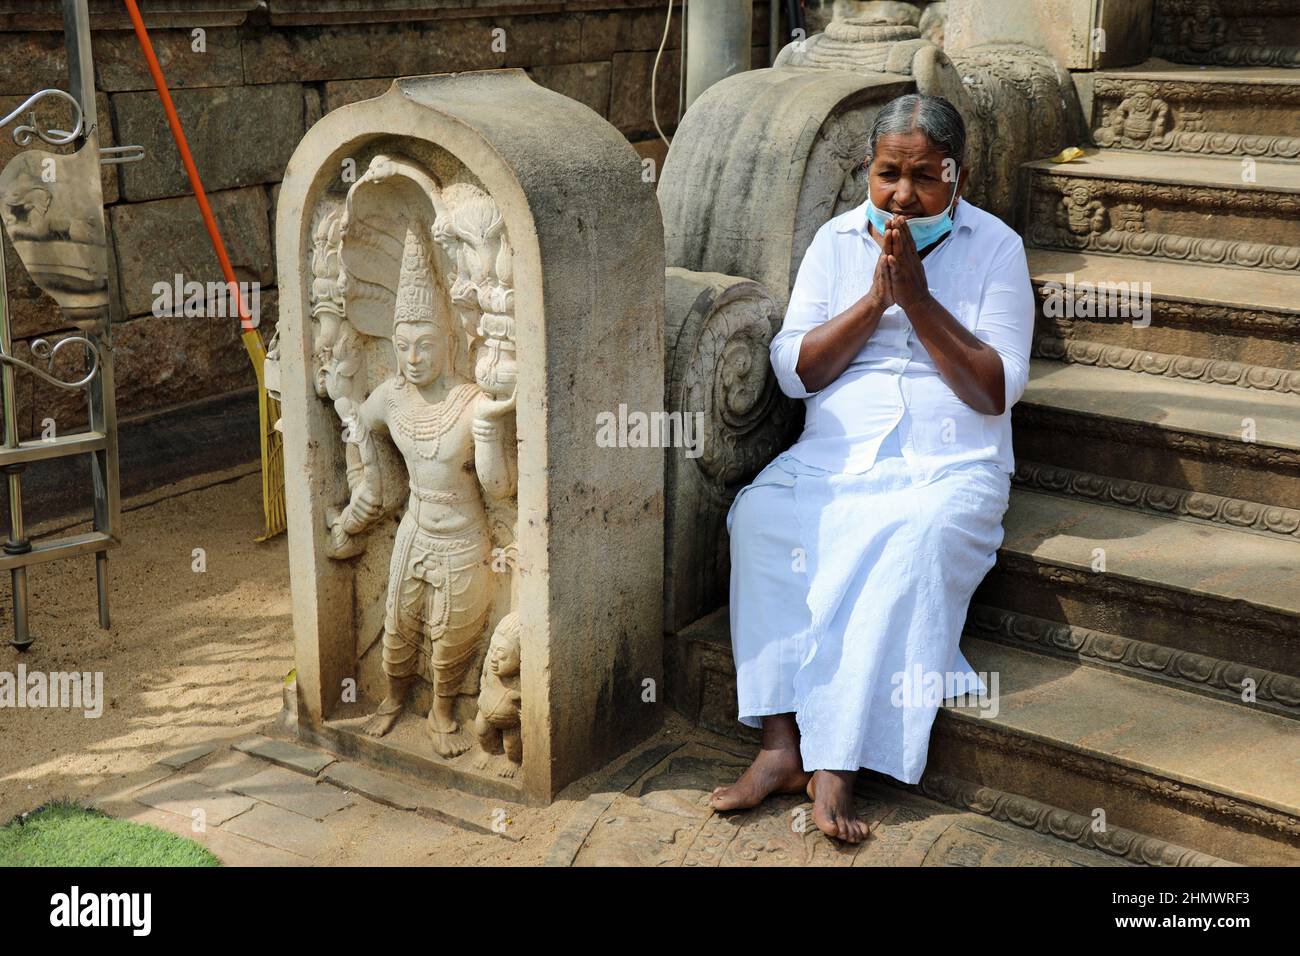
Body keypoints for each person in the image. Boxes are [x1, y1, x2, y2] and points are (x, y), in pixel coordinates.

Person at [708, 93, 1035, 843]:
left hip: (950, 463)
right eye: (888, 173)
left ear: (958, 173)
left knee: (911, 541)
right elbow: (794, 371)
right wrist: (875, 302)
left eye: (924, 176)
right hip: (836, 455)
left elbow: (995, 388)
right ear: (868, 169)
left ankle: (840, 763)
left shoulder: (997, 249)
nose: (902, 194)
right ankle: (781, 744)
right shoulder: (833, 242)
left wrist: (919, 303)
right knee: (759, 519)